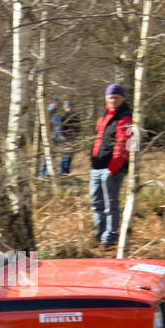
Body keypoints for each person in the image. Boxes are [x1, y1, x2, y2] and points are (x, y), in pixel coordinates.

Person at [88, 83, 133, 249]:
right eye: (110, 97)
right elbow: (98, 141)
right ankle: (99, 235)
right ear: (106, 98)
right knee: (96, 202)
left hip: (111, 170)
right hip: (96, 167)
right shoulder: (103, 116)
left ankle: (110, 237)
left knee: (110, 204)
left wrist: (112, 168)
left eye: (116, 97)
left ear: (122, 98)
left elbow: (123, 146)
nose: (113, 100)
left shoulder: (125, 118)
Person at [59, 100, 80, 175]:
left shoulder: (76, 117)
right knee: (65, 156)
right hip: (66, 139)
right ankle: (62, 172)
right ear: (65, 108)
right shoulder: (63, 117)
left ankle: (67, 172)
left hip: (73, 139)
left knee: (70, 156)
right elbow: (61, 128)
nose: (70, 108)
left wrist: (77, 137)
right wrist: (64, 137)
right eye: (68, 107)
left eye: (71, 107)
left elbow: (78, 128)